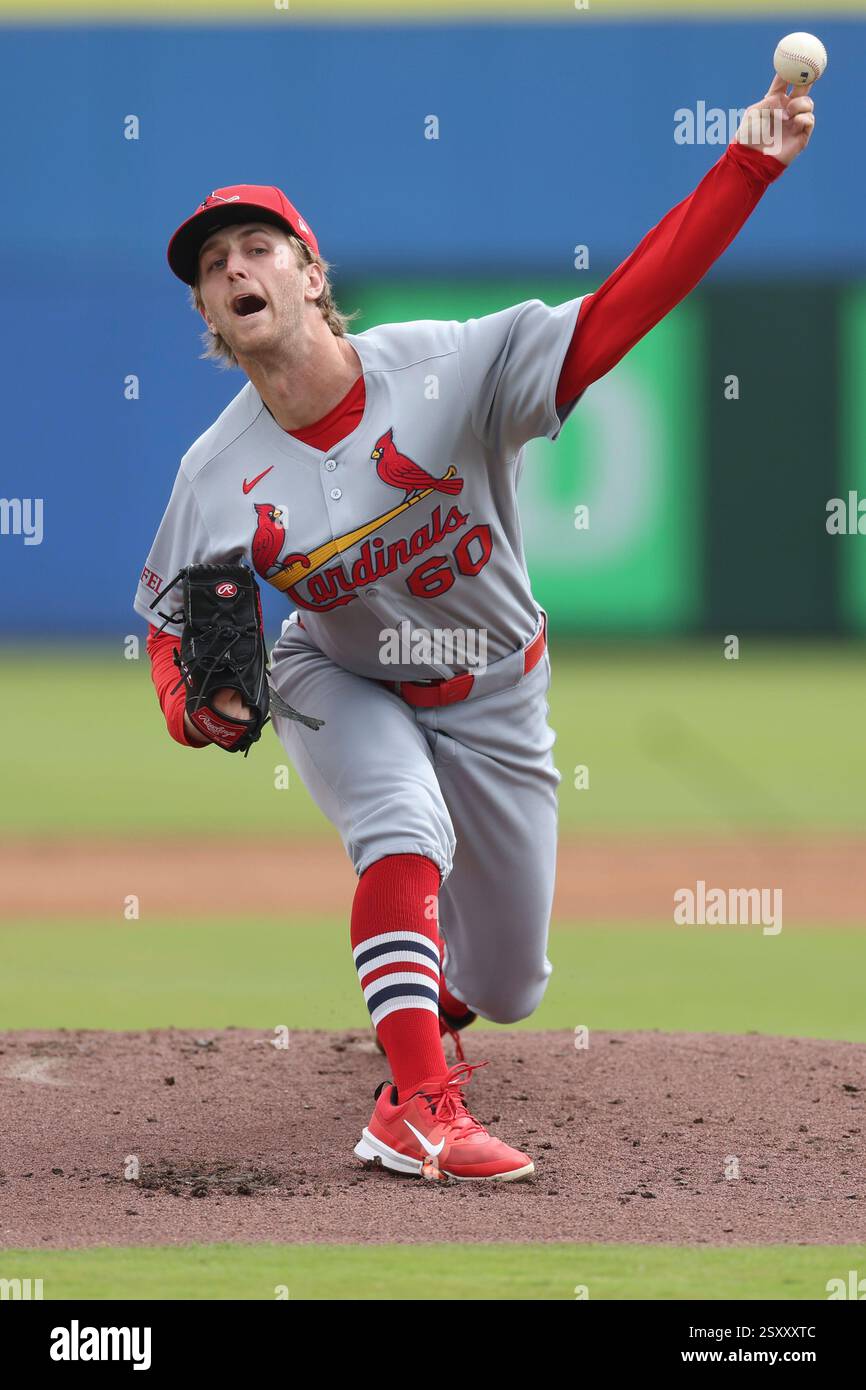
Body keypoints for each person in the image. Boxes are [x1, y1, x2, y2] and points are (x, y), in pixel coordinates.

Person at [134, 76, 816, 1182]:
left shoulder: (445, 368)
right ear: (208, 318)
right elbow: (171, 623)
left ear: (311, 274)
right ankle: (418, 1107)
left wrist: (746, 166)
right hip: (341, 674)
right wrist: (189, 708)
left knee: (508, 984)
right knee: (400, 823)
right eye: (214, 270)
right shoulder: (214, 474)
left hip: (496, 684)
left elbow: (617, 314)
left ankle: (431, 1011)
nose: (234, 271)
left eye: (257, 248)